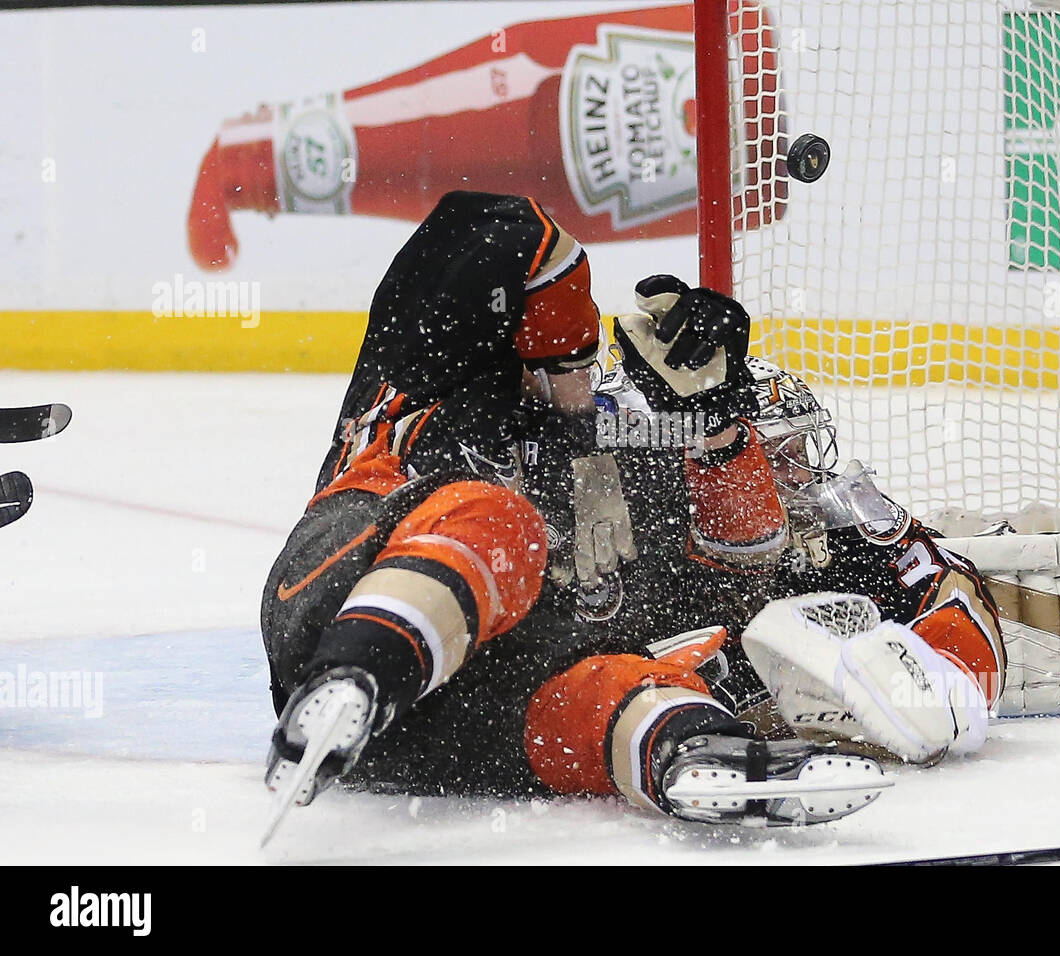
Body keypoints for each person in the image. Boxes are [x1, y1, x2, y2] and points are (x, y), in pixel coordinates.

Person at [260, 193, 887, 838]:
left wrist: (719, 438)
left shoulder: (568, 437)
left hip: (448, 724)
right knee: (497, 522)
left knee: (603, 688)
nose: (593, 382)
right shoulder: (438, 420)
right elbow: (496, 251)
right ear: (525, 352)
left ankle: (691, 752)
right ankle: (357, 677)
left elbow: (726, 583)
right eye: (582, 359)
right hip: (339, 595)